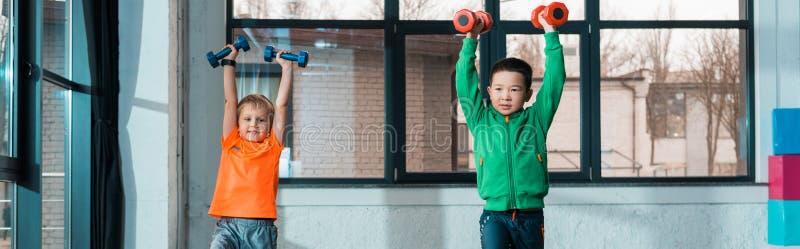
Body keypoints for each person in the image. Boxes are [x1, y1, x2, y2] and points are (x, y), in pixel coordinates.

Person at [456, 10, 565, 249]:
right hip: (495, 215)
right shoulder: (480, 119)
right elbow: (465, 83)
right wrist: (471, 39)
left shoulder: (536, 118)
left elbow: (555, 81)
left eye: (514, 90)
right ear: (489, 91)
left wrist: (550, 32)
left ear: (527, 94)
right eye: (499, 89)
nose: (505, 96)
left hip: (531, 216)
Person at [208, 43, 294, 249]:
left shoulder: (272, 146)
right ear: (238, 123)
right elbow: (230, 101)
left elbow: (281, 106)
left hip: (260, 230)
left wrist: (287, 68)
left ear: (269, 125)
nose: (253, 124)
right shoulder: (232, 141)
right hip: (228, 226)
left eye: (261, 120)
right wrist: (229, 61)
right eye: (247, 119)